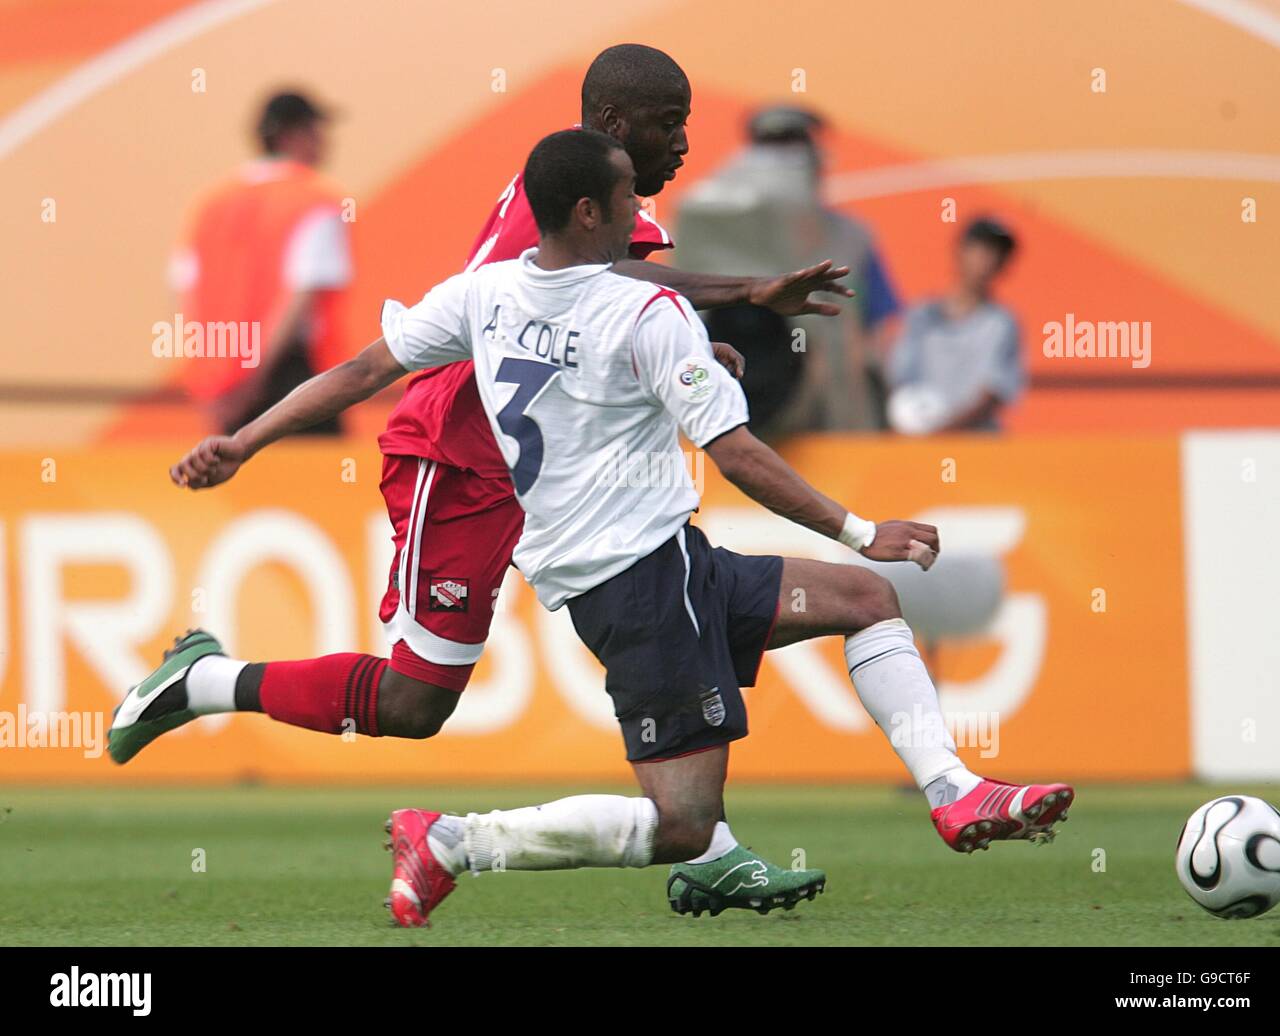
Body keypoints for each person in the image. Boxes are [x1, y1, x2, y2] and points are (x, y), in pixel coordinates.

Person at [156, 129, 1074, 928]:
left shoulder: (484, 296)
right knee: (682, 822)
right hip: (642, 589)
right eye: (633, 194)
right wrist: (857, 523)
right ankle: (452, 842)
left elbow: (359, 371)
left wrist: (242, 439)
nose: (648, 209)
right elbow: (737, 452)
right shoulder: (643, 310)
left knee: (865, 603)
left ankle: (954, 795)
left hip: (663, 567)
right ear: (592, 211)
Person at [112, 45, 853, 919]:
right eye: (669, 124)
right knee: (414, 699)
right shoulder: (575, 200)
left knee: (660, 621)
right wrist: (749, 292)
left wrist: (690, 342)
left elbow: (611, 307)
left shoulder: (596, 196)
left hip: (536, 473)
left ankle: (708, 843)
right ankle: (199, 683)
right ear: (613, 132)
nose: (685, 143)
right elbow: (592, 289)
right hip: (456, 458)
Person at [673, 105, 901, 438]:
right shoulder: (699, 229)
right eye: (771, 148)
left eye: (792, 148)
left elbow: (880, 332)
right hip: (721, 415)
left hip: (831, 420)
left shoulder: (850, 237)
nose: (780, 165)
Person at [170, 90, 352, 435]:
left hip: (224, 381)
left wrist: (206, 380)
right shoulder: (315, 199)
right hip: (290, 375)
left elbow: (183, 295)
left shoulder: (211, 203)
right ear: (293, 135)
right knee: (313, 484)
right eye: (316, 131)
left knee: (239, 483)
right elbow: (301, 296)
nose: (324, 142)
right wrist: (255, 379)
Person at [887, 218, 1023, 434]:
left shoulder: (1002, 323)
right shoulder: (921, 315)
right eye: (982, 249)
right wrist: (911, 425)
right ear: (961, 251)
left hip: (976, 447)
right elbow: (899, 380)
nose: (988, 260)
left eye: (997, 254)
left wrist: (943, 432)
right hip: (918, 445)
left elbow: (993, 394)